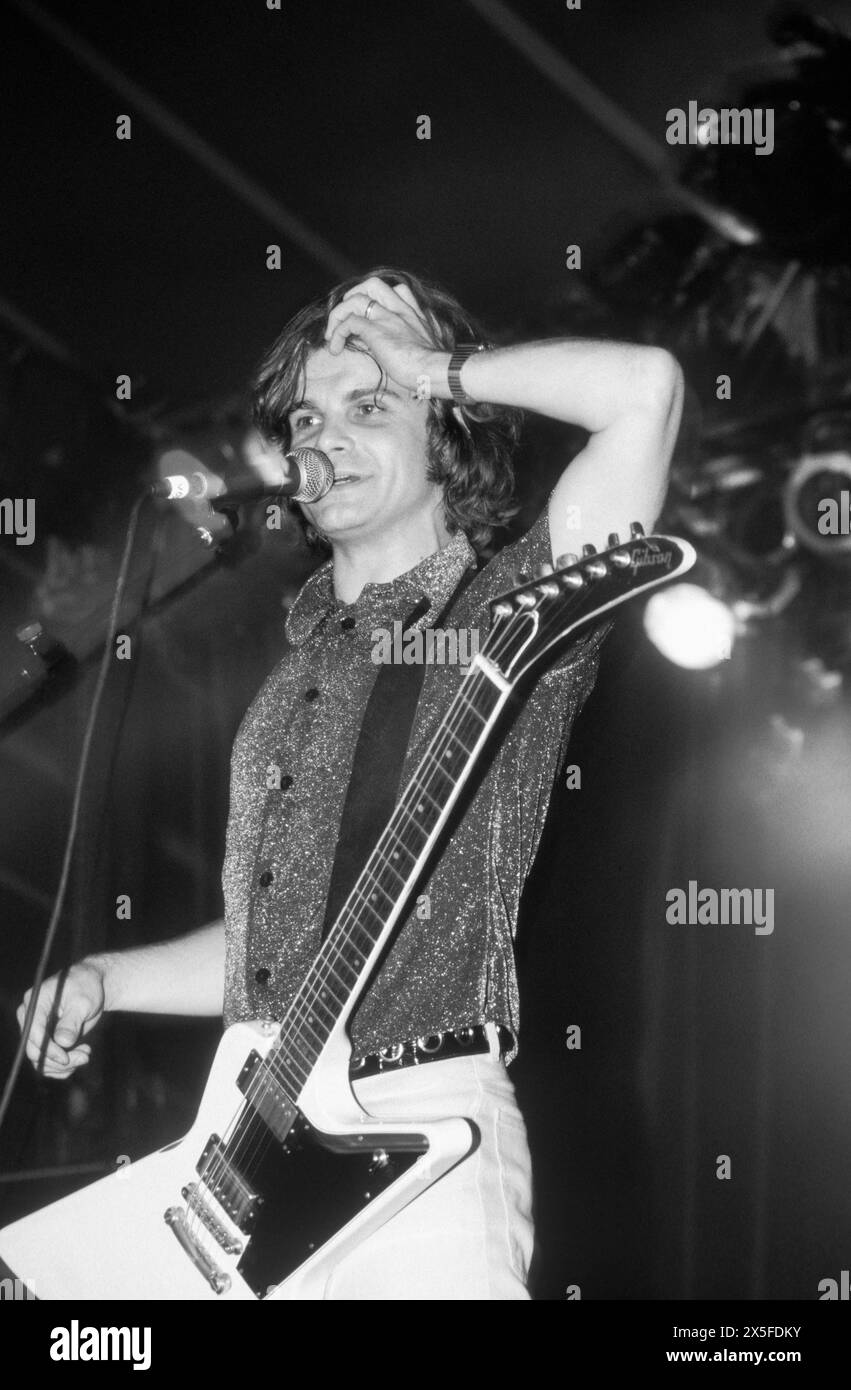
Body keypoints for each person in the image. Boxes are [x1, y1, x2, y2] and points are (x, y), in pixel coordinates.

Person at [17, 267, 683, 1299]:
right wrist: (112, 979)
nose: (321, 437)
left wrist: (430, 366)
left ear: (446, 434)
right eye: (305, 416)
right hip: (241, 1157)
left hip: (420, 1136)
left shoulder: (514, 598)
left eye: (367, 410)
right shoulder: (291, 679)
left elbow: (643, 392)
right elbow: (273, 954)